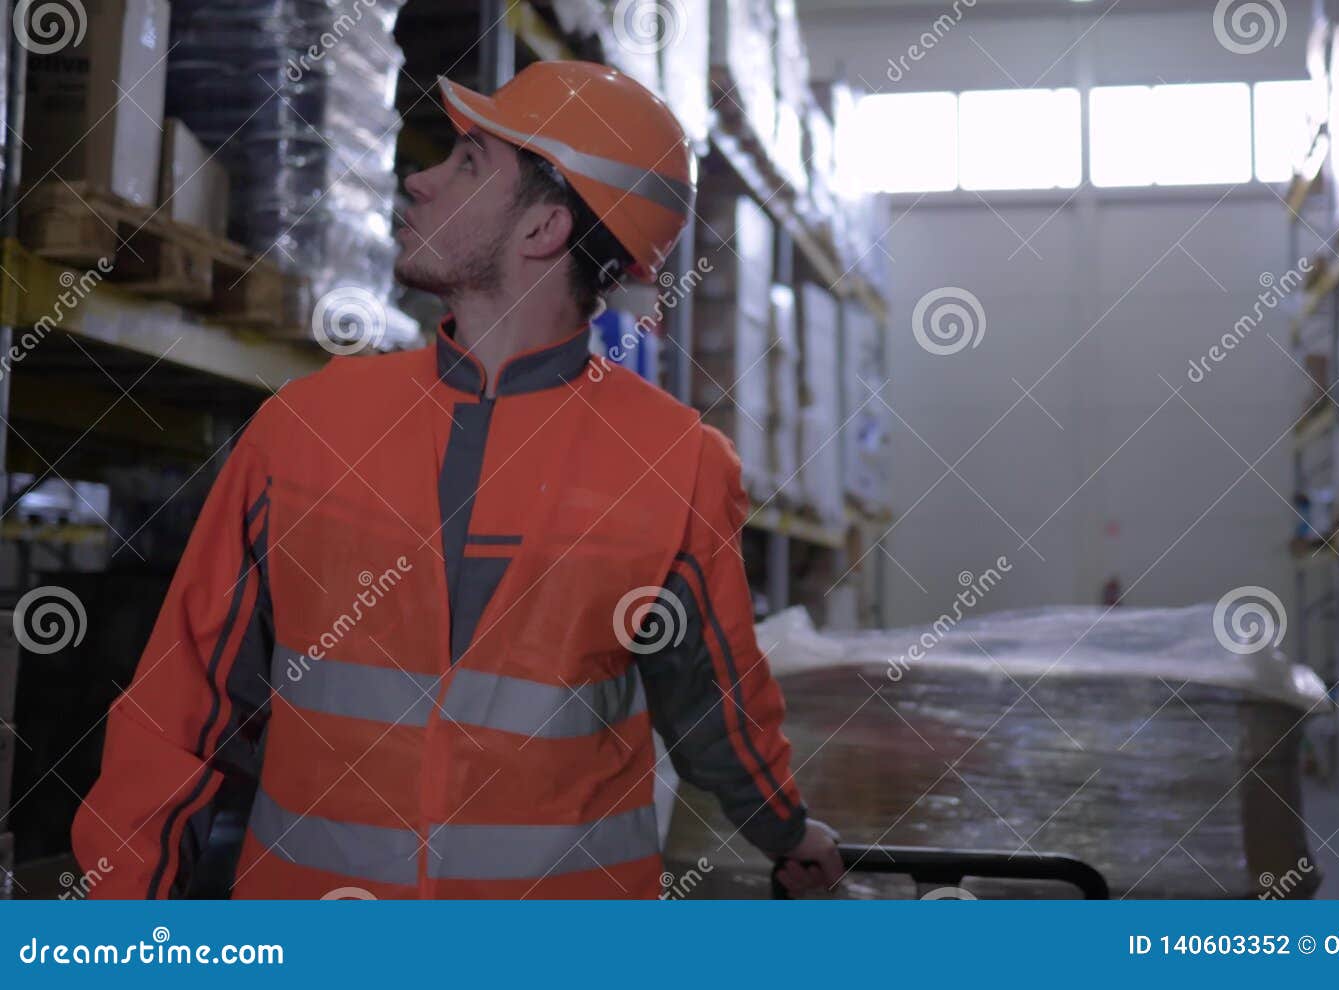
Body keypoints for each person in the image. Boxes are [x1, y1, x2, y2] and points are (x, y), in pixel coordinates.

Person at [72, 61, 844, 899]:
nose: (419, 176)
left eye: (470, 162)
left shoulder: (679, 464)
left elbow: (716, 708)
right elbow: (179, 709)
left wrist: (784, 830)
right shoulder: (304, 428)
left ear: (544, 229)